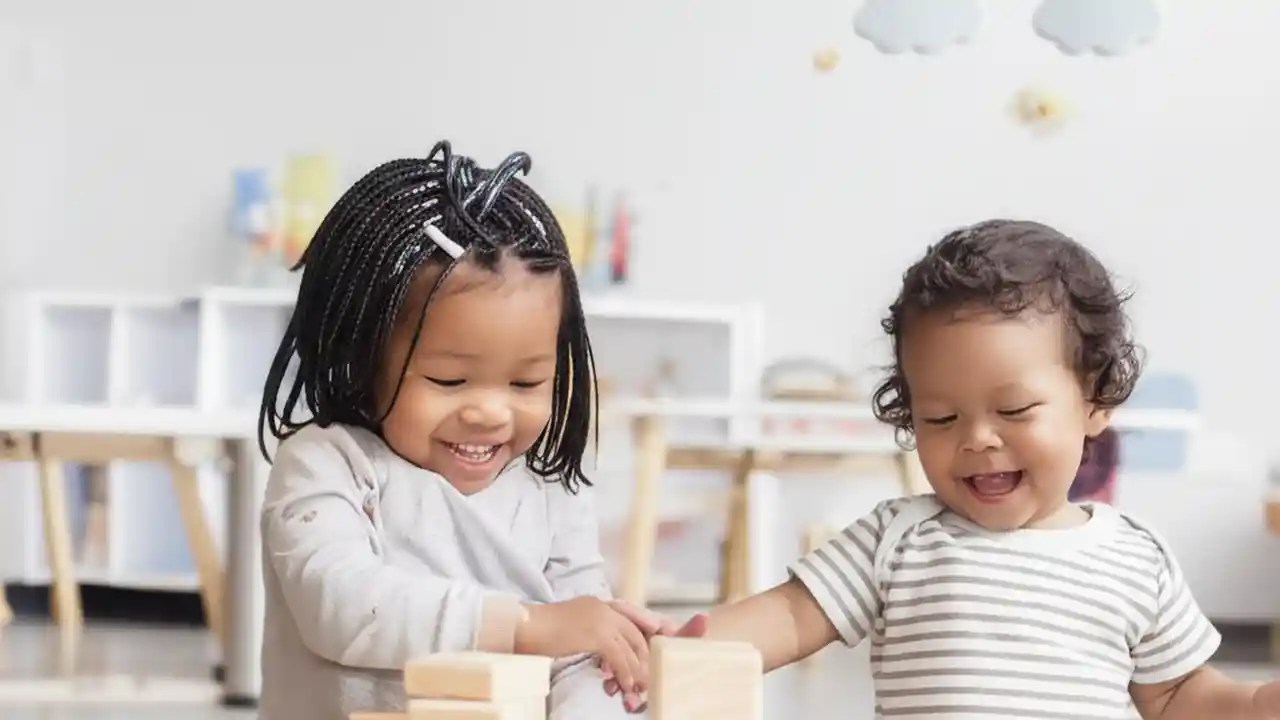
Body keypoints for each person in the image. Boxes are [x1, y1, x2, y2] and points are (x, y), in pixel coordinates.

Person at [620, 220, 1280, 719]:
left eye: (1015, 409)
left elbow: (1179, 695)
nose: (978, 440)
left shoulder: (1135, 557)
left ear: (1095, 399)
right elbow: (792, 616)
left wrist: (1253, 706)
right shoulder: (898, 538)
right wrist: (684, 644)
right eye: (939, 418)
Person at [256, 141, 659, 720]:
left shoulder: (548, 493)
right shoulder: (329, 463)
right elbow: (338, 605)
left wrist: (601, 676)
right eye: (449, 380)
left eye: (525, 385)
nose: (491, 413)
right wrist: (524, 625)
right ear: (364, 357)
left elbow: (579, 652)